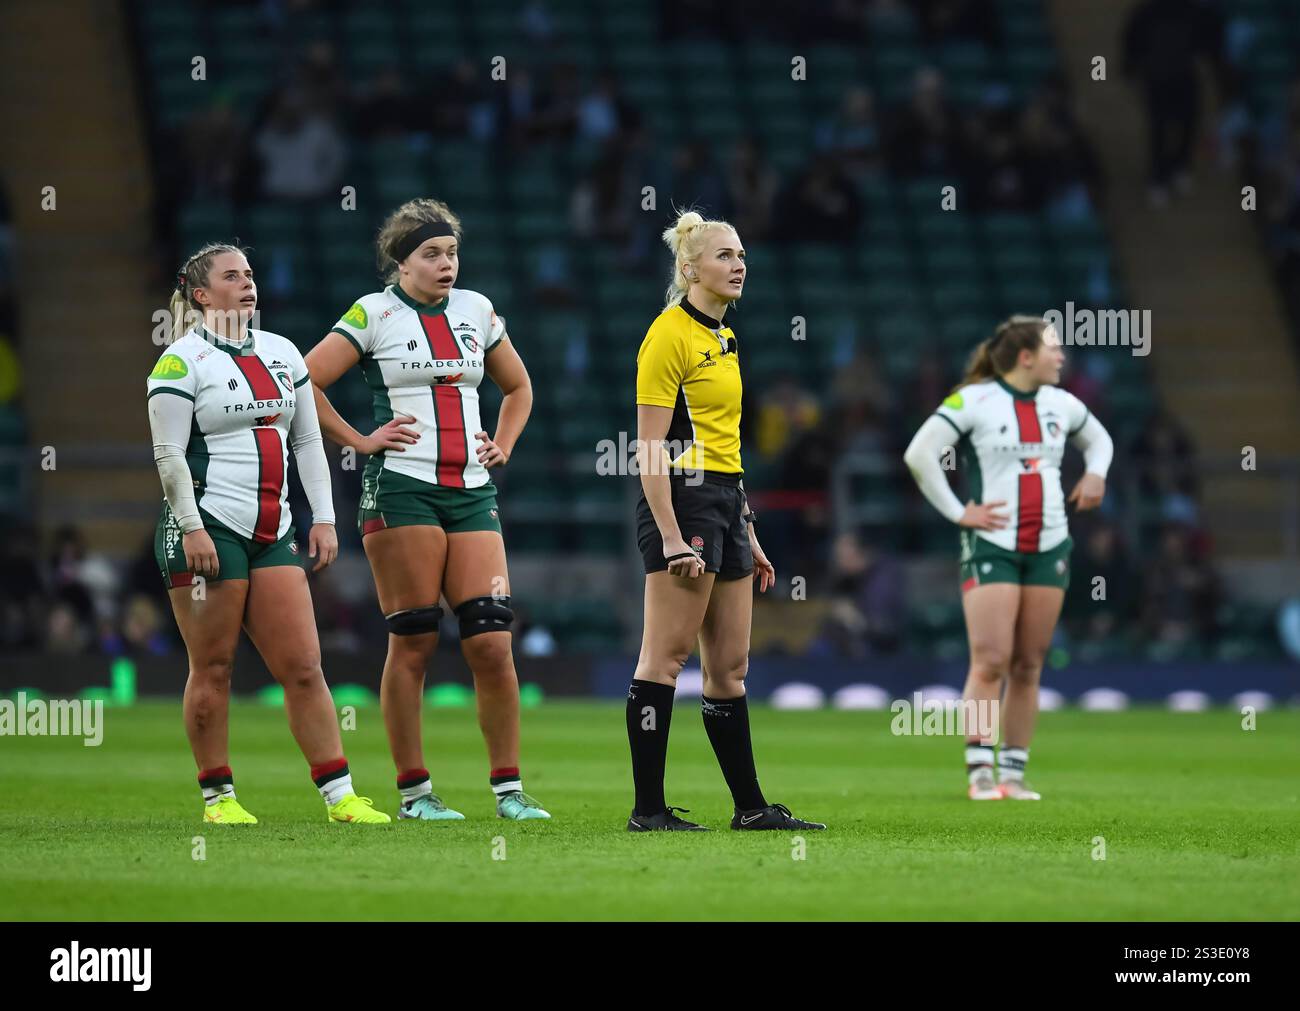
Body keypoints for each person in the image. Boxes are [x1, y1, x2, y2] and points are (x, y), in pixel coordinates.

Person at [305, 198, 548, 822]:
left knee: (492, 640)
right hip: (402, 491)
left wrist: (505, 441)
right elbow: (302, 383)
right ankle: (415, 792)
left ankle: (509, 790)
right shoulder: (373, 313)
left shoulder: (477, 311)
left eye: (452, 252)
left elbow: (518, 387)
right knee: (414, 642)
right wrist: (360, 441)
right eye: (431, 254)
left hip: (472, 491)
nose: (447, 264)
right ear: (401, 262)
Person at [148, 242, 388, 824]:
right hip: (209, 528)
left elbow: (307, 440)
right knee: (214, 667)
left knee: (304, 666)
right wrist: (192, 528)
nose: (248, 284)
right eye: (233, 276)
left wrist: (324, 518)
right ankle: (218, 798)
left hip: (273, 530)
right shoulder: (180, 363)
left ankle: (340, 798)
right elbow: (168, 455)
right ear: (201, 295)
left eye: (251, 274)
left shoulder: (282, 352)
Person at [626, 209, 826, 832]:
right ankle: (649, 810)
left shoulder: (724, 338)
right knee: (665, 659)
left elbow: (726, 445)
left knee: (731, 666)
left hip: (725, 502)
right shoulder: (669, 335)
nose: (738, 264)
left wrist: (749, 529)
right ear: (689, 268)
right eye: (723, 256)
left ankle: (749, 808)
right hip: (683, 501)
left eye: (741, 254)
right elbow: (651, 448)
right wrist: (667, 535)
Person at [903, 316, 1113, 800]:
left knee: (1029, 662)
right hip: (993, 544)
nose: (1061, 357)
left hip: (1050, 545)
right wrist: (959, 513)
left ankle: (1013, 774)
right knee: (991, 659)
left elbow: (1099, 440)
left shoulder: (1062, 404)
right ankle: (980, 770)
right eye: (1053, 349)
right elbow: (920, 453)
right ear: (1026, 357)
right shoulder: (974, 400)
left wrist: (1097, 472)